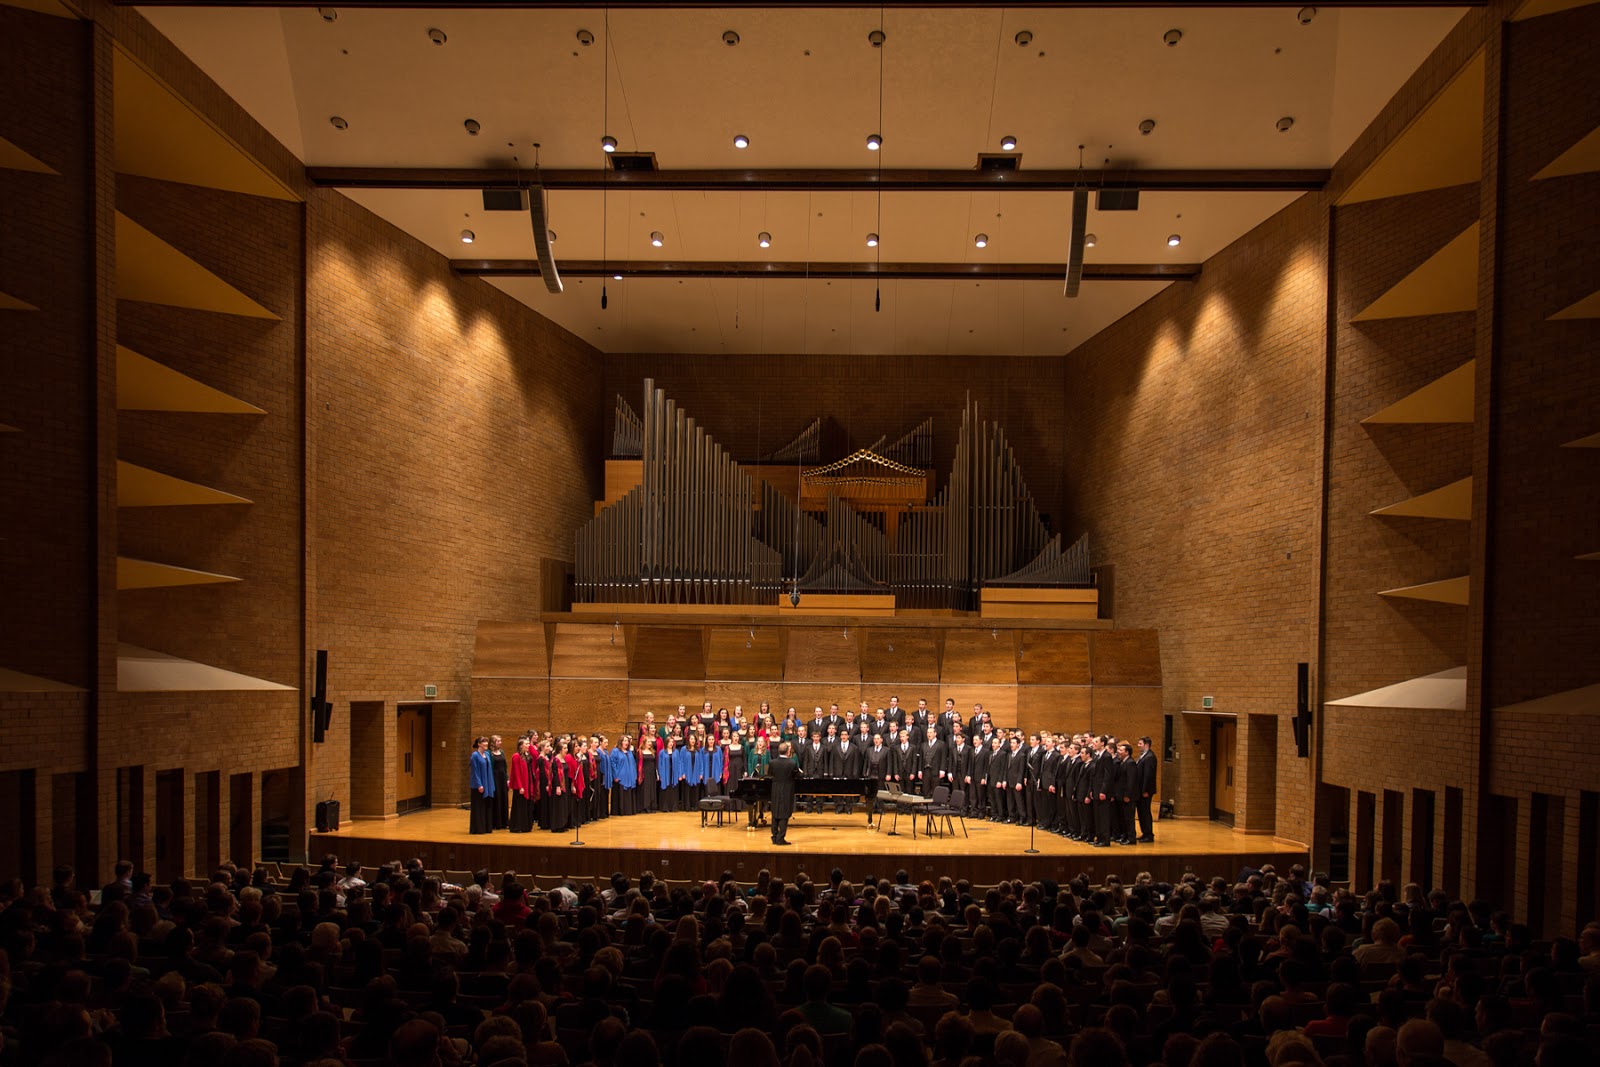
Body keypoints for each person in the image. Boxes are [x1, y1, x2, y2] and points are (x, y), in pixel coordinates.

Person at [769, 741, 798, 845]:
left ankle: (774, 836)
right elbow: (796, 776)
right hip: (787, 789)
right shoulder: (792, 763)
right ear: (788, 751)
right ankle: (780, 838)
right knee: (784, 813)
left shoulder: (772, 762)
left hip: (775, 789)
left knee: (775, 812)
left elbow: (770, 774)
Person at [469, 736, 495, 834]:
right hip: (478, 786)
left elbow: (489, 771)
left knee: (486, 807)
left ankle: (486, 827)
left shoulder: (487, 755)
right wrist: (479, 785)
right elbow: (475, 772)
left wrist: (491, 785)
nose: (486, 744)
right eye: (484, 742)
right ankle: (478, 828)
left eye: (487, 742)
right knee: (478, 807)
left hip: (487, 785)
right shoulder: (475, 756)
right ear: (479, 744)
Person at [508, 736, 534, 833]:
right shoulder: (516, 756)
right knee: (519, 806)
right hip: (520, 786)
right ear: (521, 746)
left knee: (525, 806)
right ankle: (517, 826)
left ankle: (525, 825)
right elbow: (517, 773)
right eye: (526, 744)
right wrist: (520, 786)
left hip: (526, 783)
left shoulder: (526, 755)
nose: (528, 745)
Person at [1136, 735, 1158, 842]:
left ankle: (1148, 834)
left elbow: (1148, 776)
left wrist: (1145, 790)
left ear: (1147, 745)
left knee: (1145, 812)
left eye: (1140, 744)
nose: (1138, 745)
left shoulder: (1150, 757)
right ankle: (1145, 832)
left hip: (1146, 791)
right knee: (1141, 812)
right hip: (1141, 790)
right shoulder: (1143, 755)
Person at [488, 735, 510, 830]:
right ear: (493, 742)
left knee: (504, 797)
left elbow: (505, 766)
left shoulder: (502, 752)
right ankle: (496, 822)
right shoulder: (489, 753)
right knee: (496, 798)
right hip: (495, 778)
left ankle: (504, 822)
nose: (500, 743)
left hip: (502, 778)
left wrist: (507, 778)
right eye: (498, 741)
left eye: (500, 741)